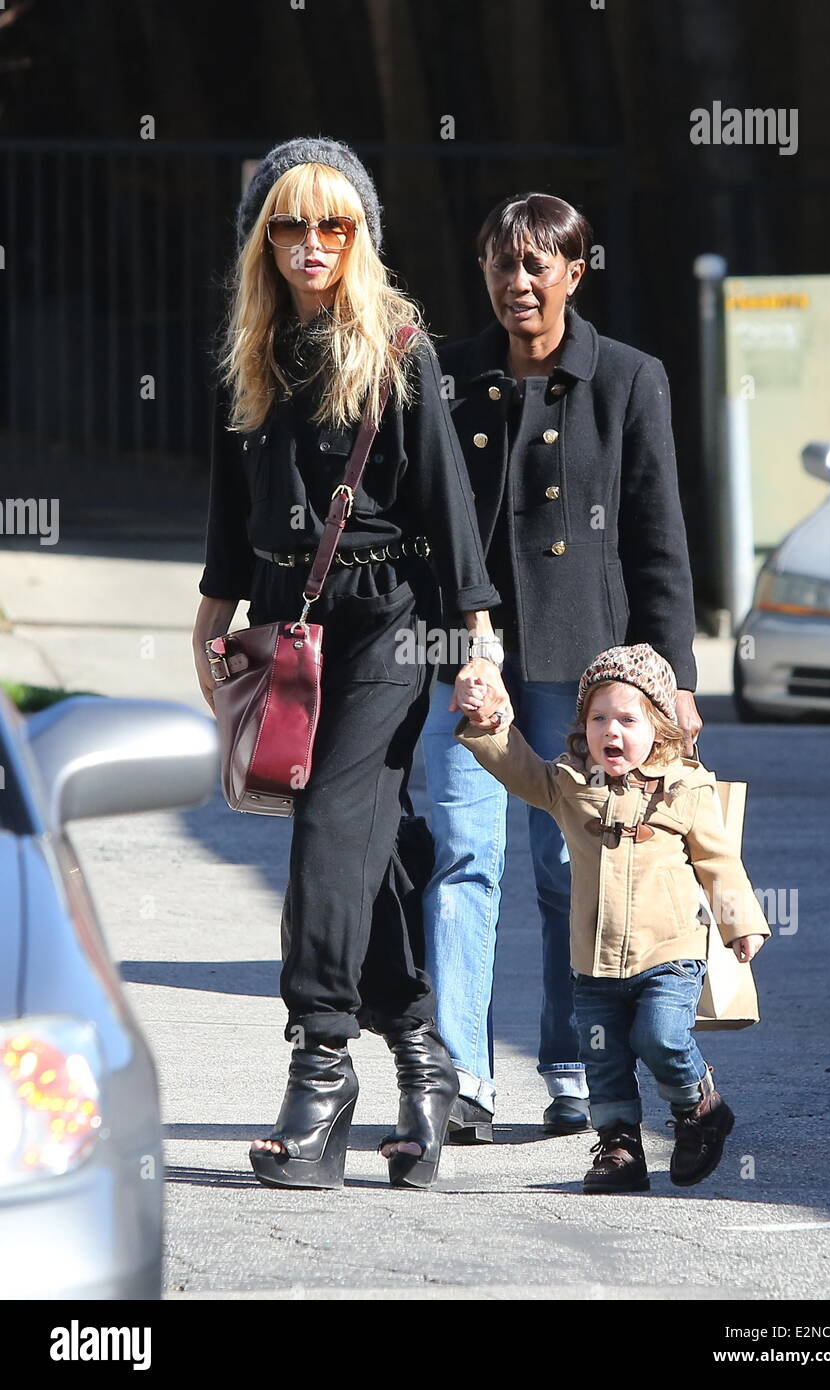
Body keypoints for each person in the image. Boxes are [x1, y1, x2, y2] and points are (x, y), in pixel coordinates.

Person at [191, 137, 501, 1191]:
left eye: (334, 225)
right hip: (285, 619)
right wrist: (211, 617)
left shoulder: (400, 347)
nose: (310, 244)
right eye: (289, 224)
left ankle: (319, 1065)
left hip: (388, 624)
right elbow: (231, 508)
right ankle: (422, 1054)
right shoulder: (253, 350)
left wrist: (476, 648)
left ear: (360, 234)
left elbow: (451, 515)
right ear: (262, 240)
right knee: (365, 846)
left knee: (331, 823)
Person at [421, 193, 703, 1142]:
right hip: (469, 664)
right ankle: (461, 1076)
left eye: (538, 264)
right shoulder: (446, 375)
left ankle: (571, 1061)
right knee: (463, 861)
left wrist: (675, 680)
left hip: (585, 674)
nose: (518, 282)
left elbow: (658, 542)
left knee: (563, 870)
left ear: (576, 274)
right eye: (502, 264)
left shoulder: (629, 378)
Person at [452, 642, 770, 1192]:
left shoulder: (687, 786)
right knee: (602, 1058)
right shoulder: (569, 783)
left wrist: (739, 922)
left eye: (628, 719)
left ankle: (699, 1108)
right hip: (593, 962)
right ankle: (620, 1148)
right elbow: (518, 768)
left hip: (669, 953)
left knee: (660, 1036)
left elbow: (719, 859)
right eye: (598, 719)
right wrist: (488, 721)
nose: (611, 732)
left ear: (661, 728)